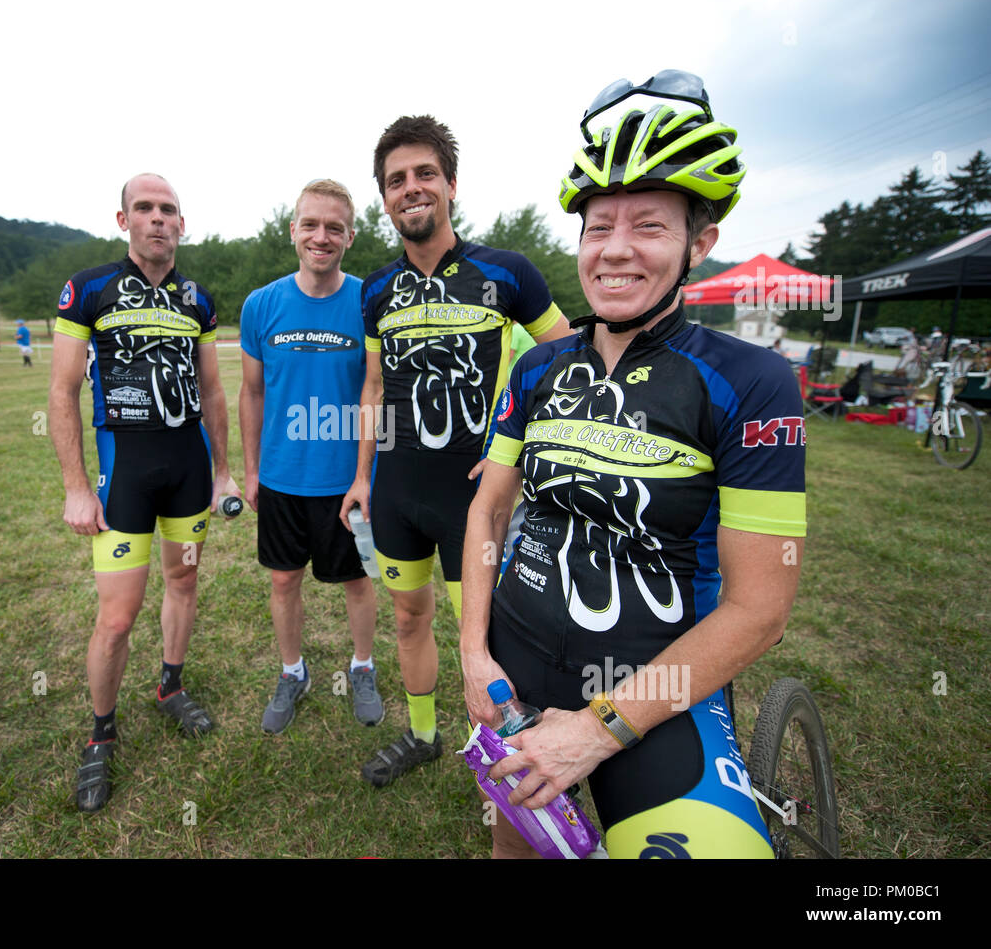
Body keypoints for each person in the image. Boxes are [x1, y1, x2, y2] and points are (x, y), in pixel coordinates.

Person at [460, 71, 805, 858]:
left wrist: (598, 729)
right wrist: (473, 651)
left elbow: (760, 611)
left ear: (699, 243)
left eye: (648, 225)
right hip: (514, 663)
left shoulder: (753, 383)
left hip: (656, 687)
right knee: (521, 850)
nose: (615, 249)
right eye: (597, 226)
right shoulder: (536, 370)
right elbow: (488, 510)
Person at [339, 116, 573, 787]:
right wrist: (360, 476)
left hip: (474, 499)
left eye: (424, 175)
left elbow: (566, 364)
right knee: (409, 617)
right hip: (395, 491)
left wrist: (524, 451)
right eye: (395, 180)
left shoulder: (507, 271)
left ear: (451, 185)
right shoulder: (375, 289)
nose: (410, 189)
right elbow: (375, 385)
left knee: (491, 640)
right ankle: (421, 733)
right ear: (384, 198)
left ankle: (507, 749)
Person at [49, 172, 238, 814]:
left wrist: (223, 471)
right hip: (122, 472)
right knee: (117, 616)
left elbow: (213, 391)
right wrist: (77, 487)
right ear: (124, 219)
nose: (158, 219)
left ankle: (169, 686)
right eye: (145, 209)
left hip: (187, 469)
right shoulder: (91, 288)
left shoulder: (197, 300)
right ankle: (101, 734)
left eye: (169, 210)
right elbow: (61, 391)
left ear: (182, 225)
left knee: (183, 583)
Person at [239, 180, 382, 734]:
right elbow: (253, 393)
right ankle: (292, 671)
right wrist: (252, 470)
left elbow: (378, 390)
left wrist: (367, 474)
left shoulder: (369, 301)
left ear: (350, 235)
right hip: (281, 477)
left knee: (356, 581)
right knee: (282, 582)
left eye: (334, 227)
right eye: (310, 224)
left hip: (347, 483)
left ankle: (363, 667)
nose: (321, 237)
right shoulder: (261, 305)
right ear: (293, 229)